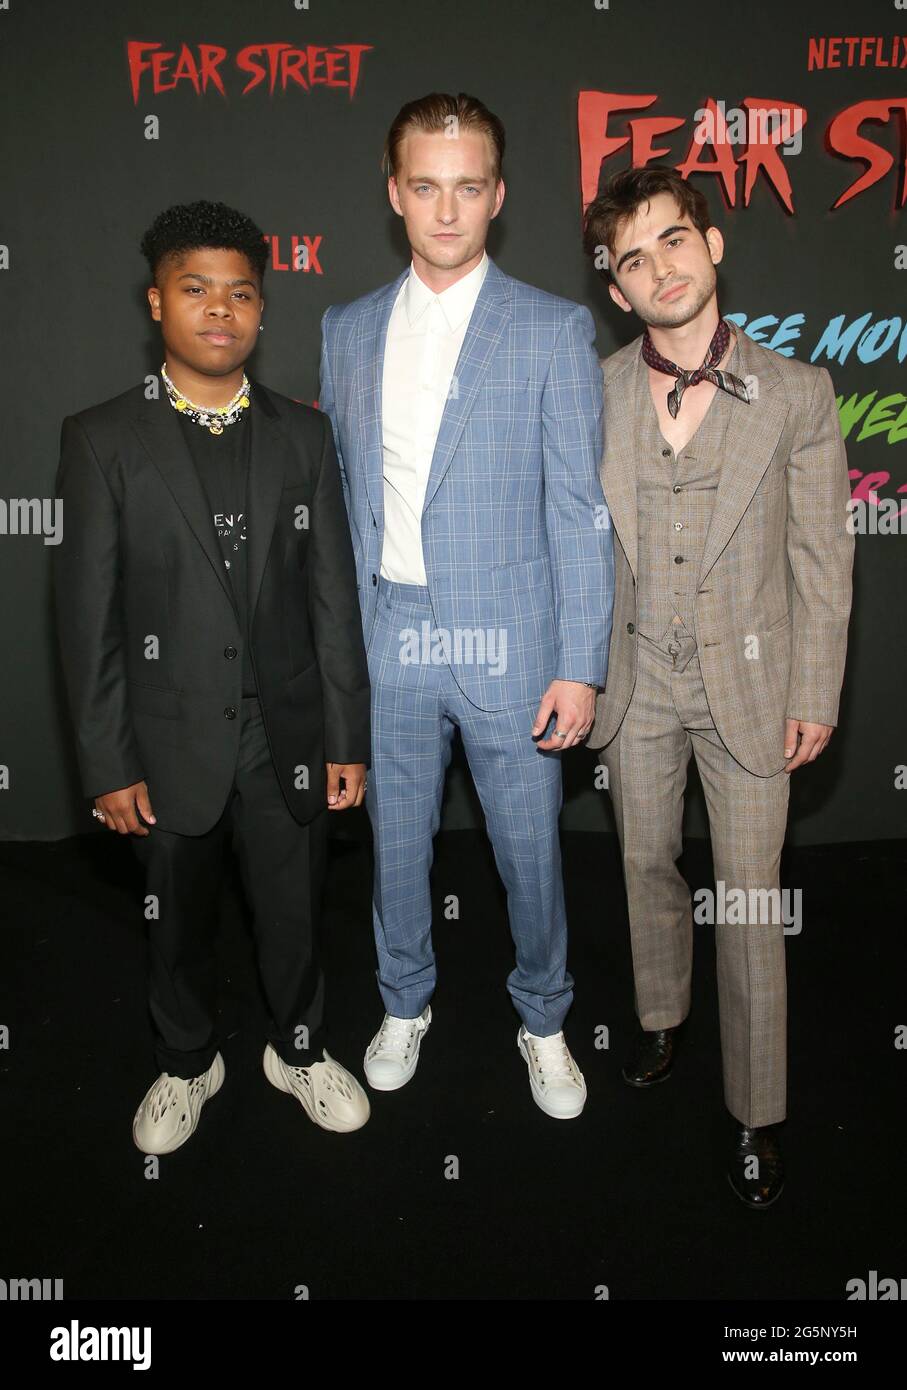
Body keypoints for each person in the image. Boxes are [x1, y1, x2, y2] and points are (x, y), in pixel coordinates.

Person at [53, 200, 372, 1155]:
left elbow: (333, 603)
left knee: (293, 909)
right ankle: (186, 1062)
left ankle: (300, 1050)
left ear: (263, 312)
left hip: (288, 731)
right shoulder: (101, 438)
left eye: (241, 293)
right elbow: (85, 620)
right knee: (174, 918)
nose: (220, 310)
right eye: (197, 291)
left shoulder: (304, 438)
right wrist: (108, 762)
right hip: (164, 737)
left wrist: (346, 741)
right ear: (157, 303)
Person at [319, 92, 614, 1118]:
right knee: (396, 841)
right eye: (426, 186)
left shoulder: (551, 325)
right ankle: (404, 1002)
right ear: (395, 193)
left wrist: (580, 661)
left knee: (529, 849)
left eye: (469, 186)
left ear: (499, 194)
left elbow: (580, 510)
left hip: (514, 646)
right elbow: (347, 496)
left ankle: (544, 1016)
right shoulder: (345, 330)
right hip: (389, 629)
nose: (448, 209)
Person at [581, 165, 854, 1204]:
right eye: (633, 258)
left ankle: (754, 1111)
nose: (660, 267)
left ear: (712, 245)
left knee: (747, 903)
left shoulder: (797, 392)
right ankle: (659, 1017)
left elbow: (824, 559)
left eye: (673, 241)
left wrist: (816, 691)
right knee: (646, 861)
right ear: (617, 288)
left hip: (751, 688)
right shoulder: (595, 386)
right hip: (632, 684)